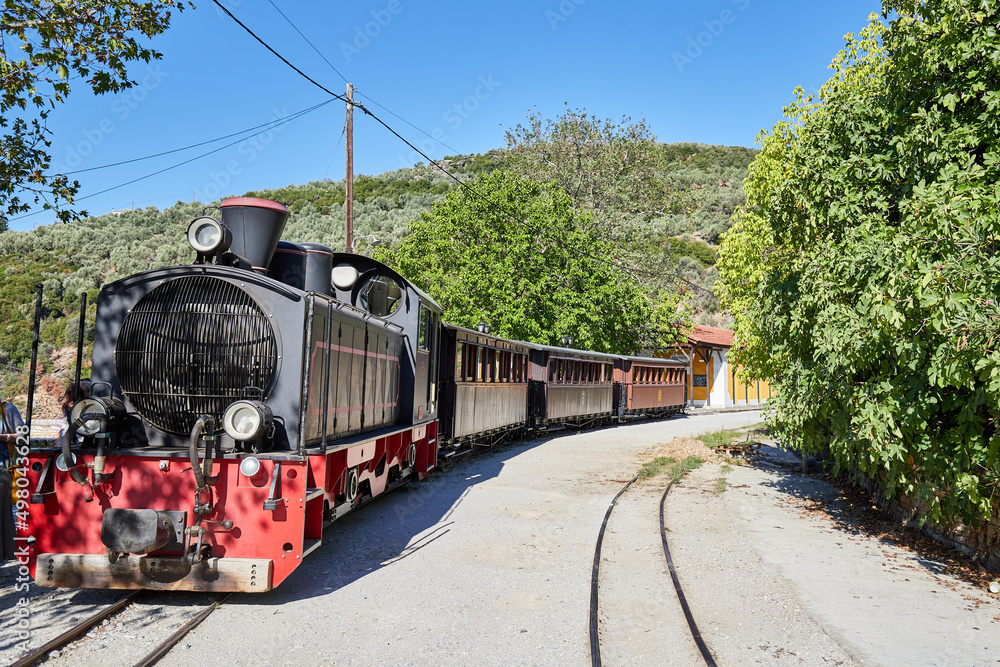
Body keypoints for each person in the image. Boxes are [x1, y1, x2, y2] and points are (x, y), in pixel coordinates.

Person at [1, 398, 26, 562]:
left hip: (2, 468)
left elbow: (23, 437)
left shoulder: (7, 410)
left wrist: (3, 437)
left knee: (2, 516)